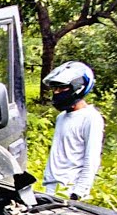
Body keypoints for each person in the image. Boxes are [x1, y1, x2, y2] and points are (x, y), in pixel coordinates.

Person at [41, 61, 104, 201]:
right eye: (55, 89)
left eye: (61, 89)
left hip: (69, 190)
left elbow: (92, 158)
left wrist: (78, 192)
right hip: (51, 187)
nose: (56, 93)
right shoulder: (61, 117)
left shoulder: (91, 118)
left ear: (78, 88)